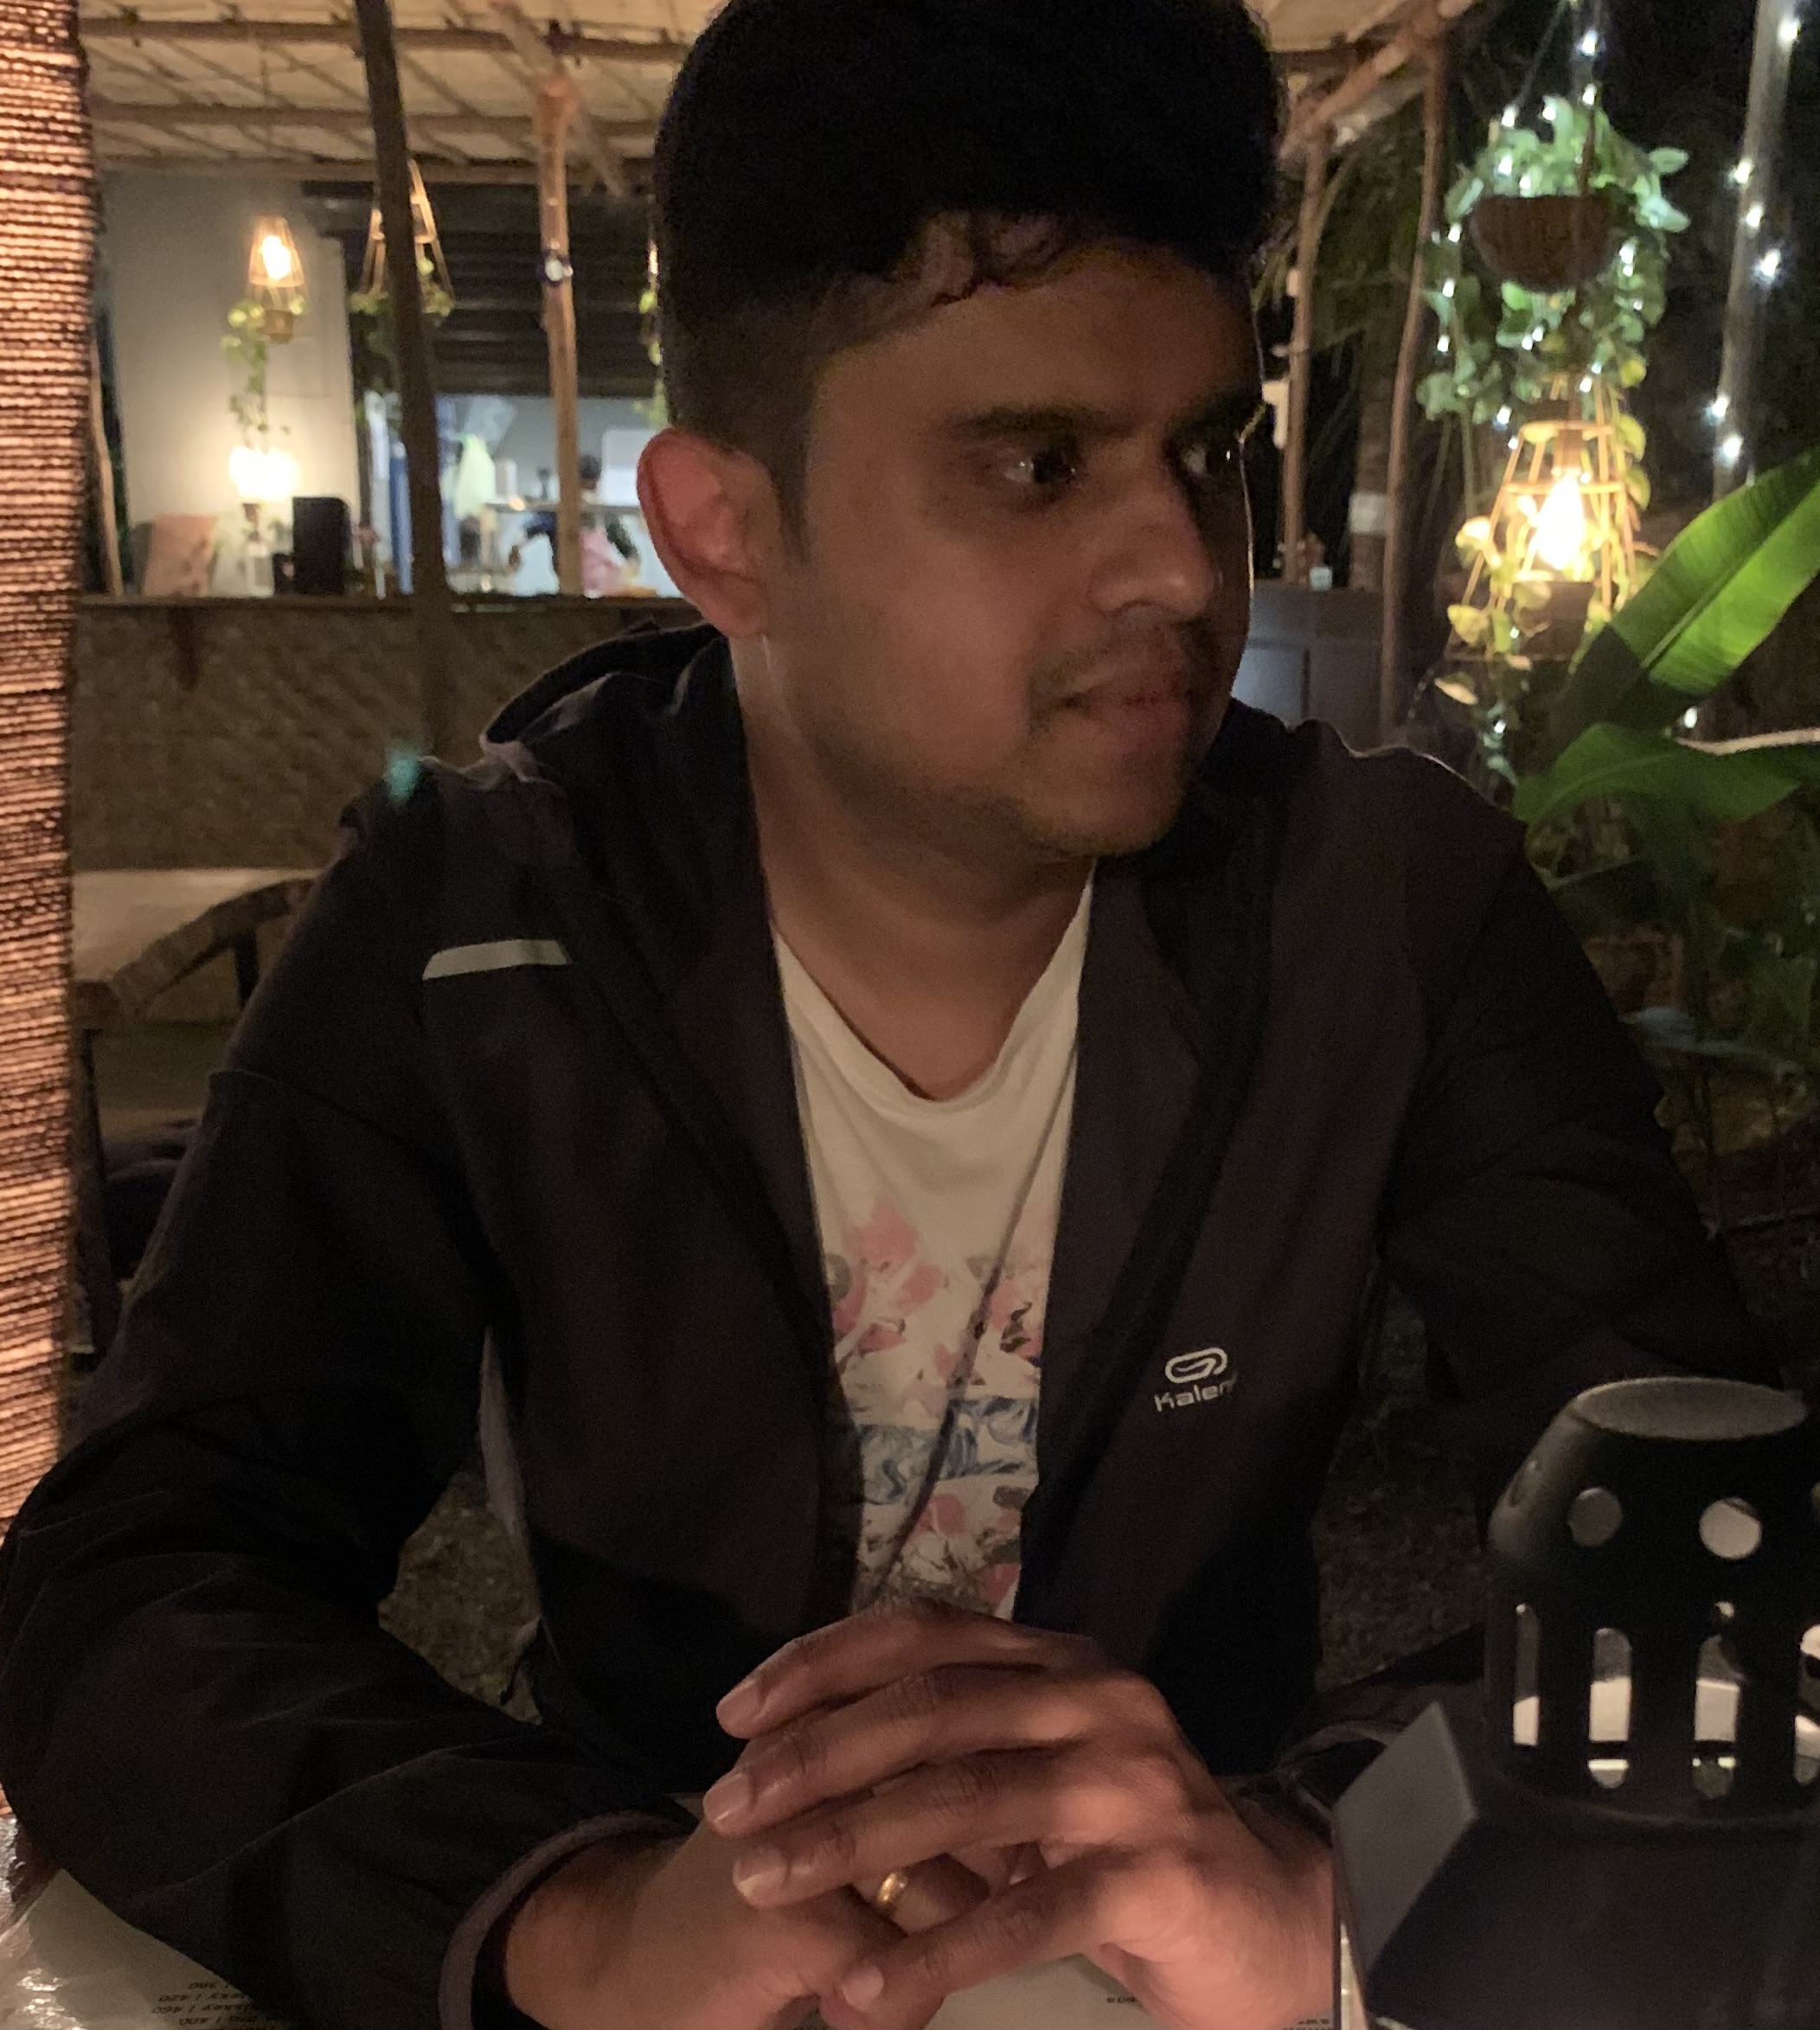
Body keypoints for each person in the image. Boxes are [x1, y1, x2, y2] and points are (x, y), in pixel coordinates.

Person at [0, 3, 1773, 2029]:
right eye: (1036, 464)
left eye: (1205, 453)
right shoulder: (482, 917)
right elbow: (130, 1583)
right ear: (723, 533)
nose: (1179, 564)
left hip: (1186, 1951)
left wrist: (1318, 1871)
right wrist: (578, 1912)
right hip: (678, 1916)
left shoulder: (1385, 905)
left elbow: (1714, 1544)